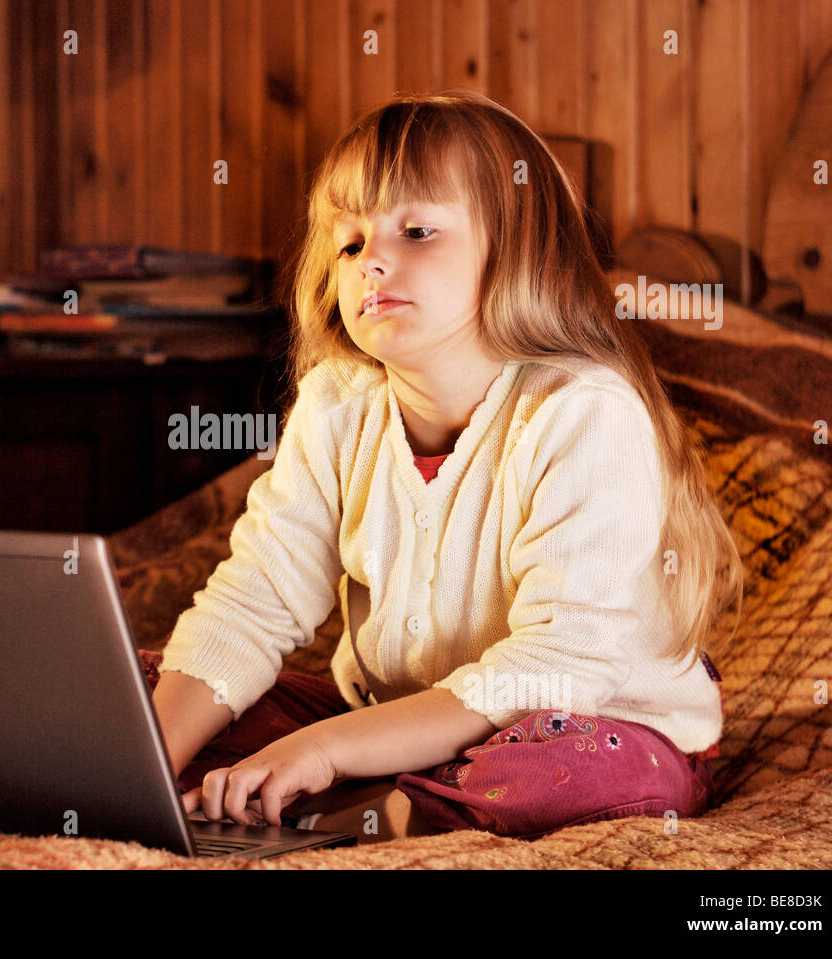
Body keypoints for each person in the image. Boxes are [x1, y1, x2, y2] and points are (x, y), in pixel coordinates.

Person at [145, 91, 744, 844]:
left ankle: (377, 808)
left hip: (592, 725)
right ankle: (368, 792)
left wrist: (325, 749)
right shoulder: (337, 402)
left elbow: (551, 670)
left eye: (417, 230)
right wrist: (151, 758)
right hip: (393, 724)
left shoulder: (584, 412)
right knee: (140, 685)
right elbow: (252, 601)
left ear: (518, 247)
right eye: (351, 243)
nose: (373, 262)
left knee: (569, 767)